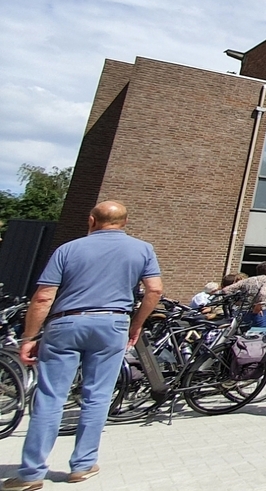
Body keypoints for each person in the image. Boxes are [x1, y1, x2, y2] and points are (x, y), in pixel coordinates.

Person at [6, 201, 162, 490]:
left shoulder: (67, 249)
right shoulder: (143, 249)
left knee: (50, 397)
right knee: (98, 396)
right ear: (125, 224)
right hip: (113, 323)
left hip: (66, 324)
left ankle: (31, 474)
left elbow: (43, 297)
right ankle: (83, 464)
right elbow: (154, 290)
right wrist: (136, 324)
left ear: (91, 221)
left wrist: (29, 338)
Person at [221, 261, 266, 329]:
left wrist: (237, 302)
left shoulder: (248, 280)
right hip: (259, 311)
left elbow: (225, 290)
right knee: (263, 334)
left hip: (244, 310)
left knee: (246, 333)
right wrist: (258, 305)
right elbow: (263, 293)